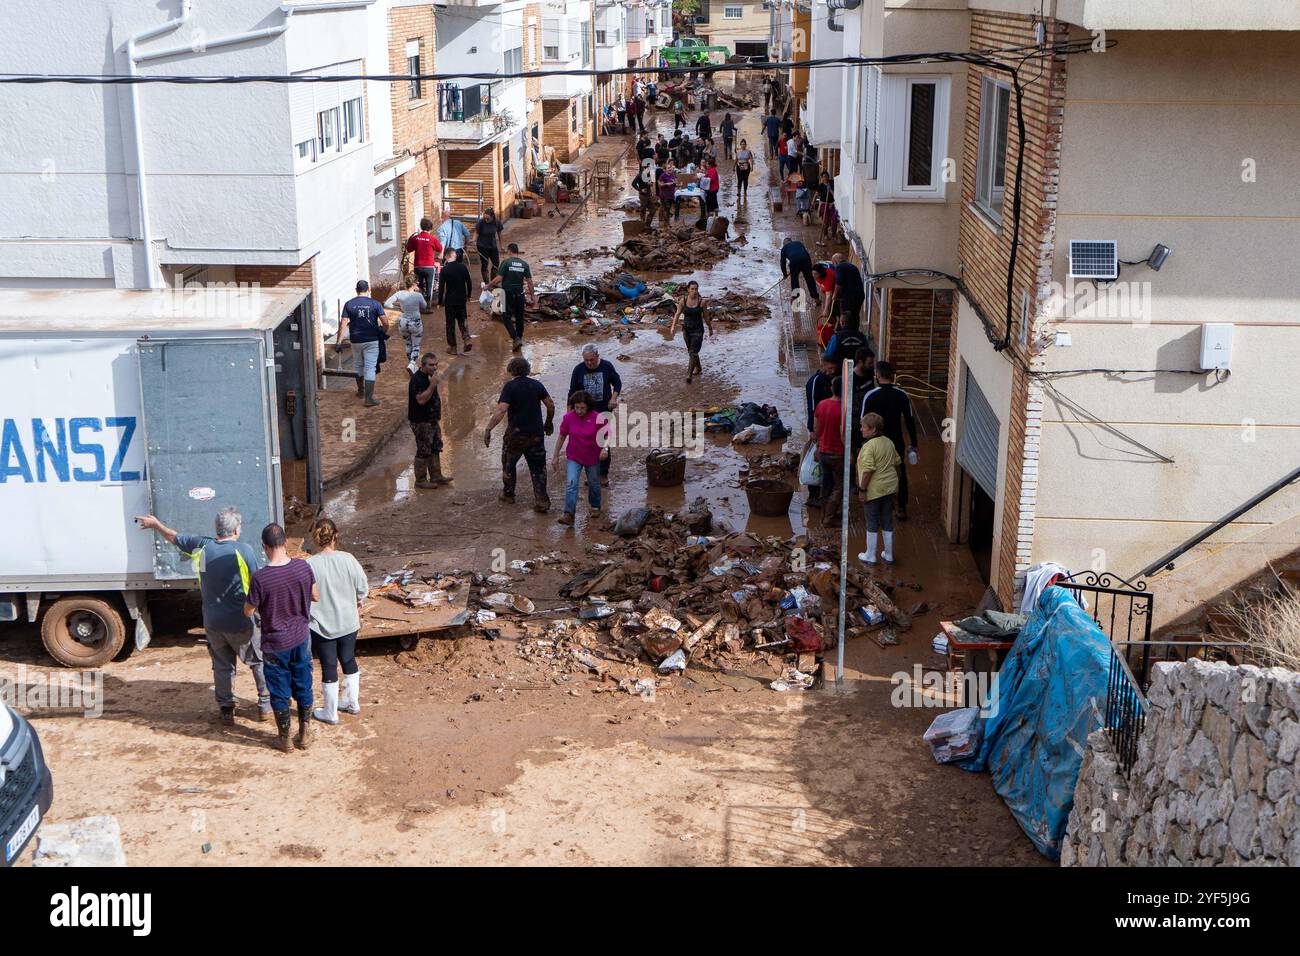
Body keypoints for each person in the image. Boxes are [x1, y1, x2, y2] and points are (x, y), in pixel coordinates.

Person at [134, 508, 269, 724]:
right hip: (241, 620)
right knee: (257, 661)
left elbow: (174, 537)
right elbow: (259, 584)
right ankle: (264, 704)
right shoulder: (244, 550)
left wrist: (156, 524)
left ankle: (226, 709)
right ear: (236, 529)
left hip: (213, 622)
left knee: (223, 666)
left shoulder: (202, 547)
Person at [244, 523, 318, 753]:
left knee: (278, 688)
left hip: (275, 643)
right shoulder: (303, 568)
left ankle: (285, 738)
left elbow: (248, 610)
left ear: (264, 547)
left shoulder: (260, 578)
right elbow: (315, 596)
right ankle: (305, 732)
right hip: (301, 637)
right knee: (303, 681)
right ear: (285, 543)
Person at [305, 518, 367, 725]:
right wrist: (357, 599)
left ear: (315, 538)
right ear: (336, 535)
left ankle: (330, 712)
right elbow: (363, 588)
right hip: (349, 622)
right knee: (349, 659)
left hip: (322, 626)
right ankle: (352, 703)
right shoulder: (348, 559)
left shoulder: (309, 564)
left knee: (329, 665)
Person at [484, 357, 555, 512]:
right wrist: (548, 423)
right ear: (528, 370)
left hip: (516, 434)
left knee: (508, 464)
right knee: (538, 468)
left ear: (511, 370)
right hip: (536, 434)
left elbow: (501, 410)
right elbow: (550, 404)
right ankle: (542, 500)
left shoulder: (510, 387)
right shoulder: (536, 385)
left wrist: (489, 428)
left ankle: (509, 494)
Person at [860, 361, 919, 520]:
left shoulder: (871, 395)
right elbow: (910, 421)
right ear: (892, 375)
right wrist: (913, 444)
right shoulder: (902, 395)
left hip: (874, 443)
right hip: (895, 442)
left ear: (877, 375)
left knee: (873, 472)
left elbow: (863, 421)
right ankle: (901, 507)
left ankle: (877, 505)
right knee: (900, 472)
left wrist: (861, 444)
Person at [568, 343, 622, 485]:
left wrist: (613, 398)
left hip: (604, 410)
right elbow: (572, 392)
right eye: (586, 360)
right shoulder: (578, 370)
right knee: (587, 443)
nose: (589, 363)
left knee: (603, 442)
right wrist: (569, 414)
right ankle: (592, 473)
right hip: (584, 413)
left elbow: (617, 383)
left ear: (597, 356)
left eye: (592, 359)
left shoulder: (607, 366)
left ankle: (603, 475)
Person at [551, 389, 605, 527]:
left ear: (588, 406)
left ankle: (595, 506)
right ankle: (569, 514)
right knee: (571, 484)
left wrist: (605, 449)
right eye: (576, 407)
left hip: (592, 456)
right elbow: (562, 436)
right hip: (574, 456)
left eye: (582, 408)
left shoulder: (598, 418)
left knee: (593, 482)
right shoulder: (568, 418)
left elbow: (606, 435)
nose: (579, 411)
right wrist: (555, 455)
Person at [856, 412, 901, 565]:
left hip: (874, 490)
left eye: (864, 427)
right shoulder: (889, 442)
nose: (861, 430)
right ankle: (888, 554)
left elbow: (868, 470)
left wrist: (862, 490)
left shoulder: (869, 447)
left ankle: (870, 555)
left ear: (873, 429)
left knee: (872, 521)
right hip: (889, 488)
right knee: (887, 519)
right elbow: (897, 462)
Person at [335, 280, 389, 407]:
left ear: (356, 290)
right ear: (368, 289)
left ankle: (361, 391)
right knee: (370, 368)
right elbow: (386, 323)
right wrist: (382, 332)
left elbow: (343, 324)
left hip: (355, 340)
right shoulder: (375, 304)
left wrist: (339, 342)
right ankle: (369, 398)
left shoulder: (349, 304)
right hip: (371, 340)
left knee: (358, 365)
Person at [408, 352, 451, 487]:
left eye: (436, 364)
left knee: (435, 447)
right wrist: (432, 385)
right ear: (423, 365)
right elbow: (421, 400)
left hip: (431, 420)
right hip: (421, 421)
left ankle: (436, 476)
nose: (435, 367)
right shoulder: (418, 379)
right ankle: (420, 480)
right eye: (431, 365)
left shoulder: (429, 376)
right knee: (423, 450)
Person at [487, 242, 536, 351]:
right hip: (520, 293)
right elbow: (530, 282)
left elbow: (499, 278)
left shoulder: (506, 262)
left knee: (505, 317)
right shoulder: (524, 264)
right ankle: (519, 339)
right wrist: (533, 296)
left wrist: (488, 285)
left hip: (506, 293)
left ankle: (515, 338)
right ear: (517, 252)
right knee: (519, 317)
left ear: (509, 251)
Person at [813, 377, 846, 527]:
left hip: (823, 452)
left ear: (832, 388)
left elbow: (816, 429)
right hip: (837, 454)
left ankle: (823, 515)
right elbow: (844, 434)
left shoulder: (821, 405)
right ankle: (829, 518)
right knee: (839, 486)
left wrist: (818, 445)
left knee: (826, 484)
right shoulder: (844, 409)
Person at [669, 280, 714, 383]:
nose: (694, 291)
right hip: (686, 329)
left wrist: (710, 328)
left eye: (696, 289)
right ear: (688, 290)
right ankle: (698, 367)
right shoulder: (683, 301)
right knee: (691, 351)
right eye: (692, 289)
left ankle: (689, 374)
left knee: (693, 352)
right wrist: (673, 327)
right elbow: (677, 314)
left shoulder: (702, 302)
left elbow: (706, 317)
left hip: (698, 330)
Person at [385, 273, 427, 374]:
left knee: (408, 343)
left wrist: (398, 308)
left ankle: (411, 364)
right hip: (415, 321)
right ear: (413, 284)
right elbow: (424, 306)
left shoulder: (400, 294)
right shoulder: (418, 295)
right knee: (416, 345)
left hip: (403, 322)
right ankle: (412, 363)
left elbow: (386, 303)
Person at [438, 247, 473, 354]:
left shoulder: (444, 270)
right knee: (463, 320)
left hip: (450, 301)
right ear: (455, 255)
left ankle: (453, 348)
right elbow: (469, 282)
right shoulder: (463, 267)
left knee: (450, 324)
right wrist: (468, 295)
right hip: (461, 299)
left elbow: (441, 288)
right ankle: (467, 339)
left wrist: (440, 302)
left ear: (446, 257)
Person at [405, 217, 443, 309]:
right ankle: (428, 305)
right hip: (429, 267)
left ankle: (421, 305)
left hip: (418, 266)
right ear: (430, 228)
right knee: (429, 286)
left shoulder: (416, 238)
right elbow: (440, 248)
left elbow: (408, 249)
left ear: (421, 227)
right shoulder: (432, 239)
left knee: (419, 285)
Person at [780, 237, 819, 304]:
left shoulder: (784, 248)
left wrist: (785, 274)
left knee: (794, 279)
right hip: (806, 258)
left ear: (784, 244)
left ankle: (795, 297)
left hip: (794, 260)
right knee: (809, 278)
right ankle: (816, 298)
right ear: (791, 241)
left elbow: (782, 263)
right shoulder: (798, 242)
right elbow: (801, 252)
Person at [832, 252, 865, 327]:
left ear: (835, 261)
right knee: (855, 314)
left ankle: (846, 331)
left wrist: (834, 295)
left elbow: (838, 283)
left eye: (833, 263)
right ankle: (855, 331)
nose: (834, 266)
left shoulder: (839, 267)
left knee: (846, 315)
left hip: (850, 297)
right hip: (859, 296)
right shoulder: (852, 266)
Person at [474, 208, 505, 286]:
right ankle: (486, 283)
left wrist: (501, 245)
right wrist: (473, 239)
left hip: (492, 246)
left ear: (492, 217)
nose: (486, 220)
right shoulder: (481, 222)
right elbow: (476, 232)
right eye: (485, 218)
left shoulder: (497, 222)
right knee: (485, 263)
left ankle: (493, 282)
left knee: (496, 264)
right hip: (482, 246)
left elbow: (500, 234)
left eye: (487, 218)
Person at [656, 161, 678, 225]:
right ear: (665, 170)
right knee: (666, 208)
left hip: (671, 195)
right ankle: (666, 223)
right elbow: (660, 185)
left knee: (668, 209)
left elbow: (674, 184)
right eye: (668, 168)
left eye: (670, 167)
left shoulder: (672, 175)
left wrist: (678, 185)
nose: (670, 169)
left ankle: (666, 222)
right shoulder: (662, 176)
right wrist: (666, 184)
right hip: (664, 195)